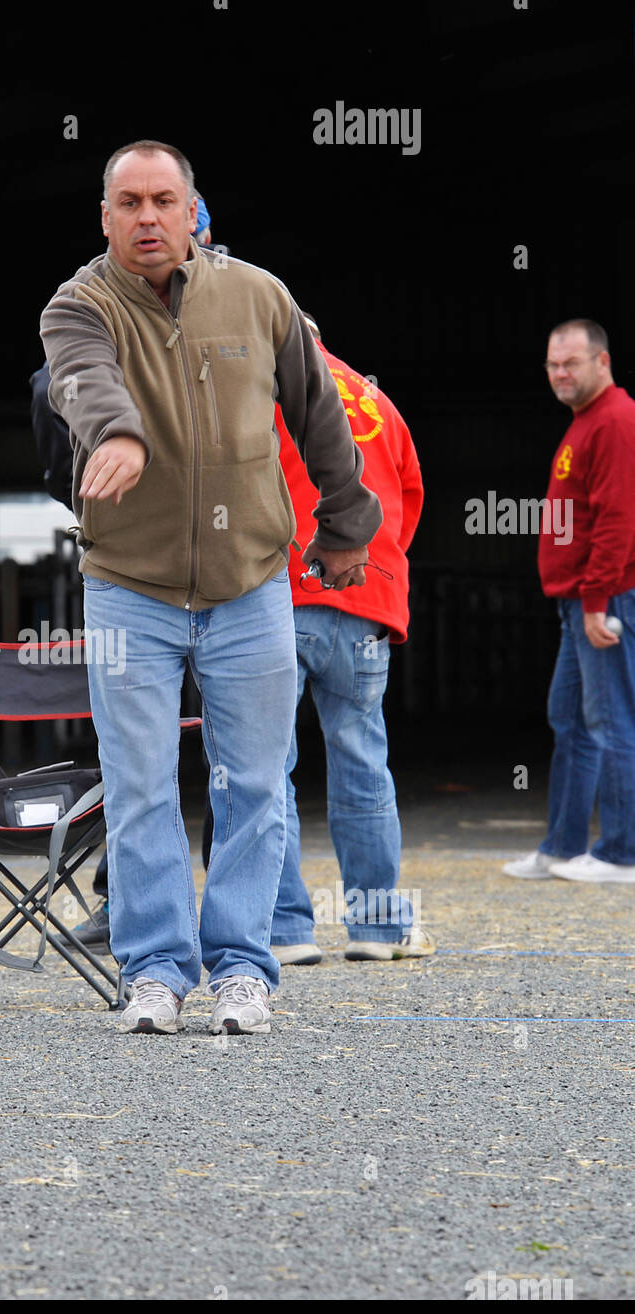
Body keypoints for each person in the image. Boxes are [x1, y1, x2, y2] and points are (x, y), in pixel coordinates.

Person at [40, 141, 382, 1035]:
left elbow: (319, 412)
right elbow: (83, 383)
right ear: (104, 216)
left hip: (252, 584)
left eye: (163, 200)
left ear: (192, 210)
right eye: (128, 203)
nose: (146, 217)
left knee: (255, 784)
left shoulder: (259, 296)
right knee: (140, 785)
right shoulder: (77, 305)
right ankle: (154, 970)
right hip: (127, 588)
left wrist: (348, 528)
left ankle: (242, 967)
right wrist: (116, 435)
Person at [29, 194, 215, 955]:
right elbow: (53, 399)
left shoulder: (241, 317)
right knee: (157, 754)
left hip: (222, 569)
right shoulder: (90, 323)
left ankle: (240, 919)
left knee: (205, 756)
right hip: (144, 572)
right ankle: (147, 913)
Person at [268, 316, 431, 964]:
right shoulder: (375, 400)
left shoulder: (269, 387)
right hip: (364, 601)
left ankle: (285, 932)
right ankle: (377, 928)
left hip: (281, 595)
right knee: (362, 762)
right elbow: (409, 499)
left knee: (265, 770)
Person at [503, 319, 635, 884]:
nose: (560, 373)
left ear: (602, 362)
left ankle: (623, 853)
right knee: (572, 722)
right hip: (580, 603)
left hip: (602, 602)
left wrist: (597, 601)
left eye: (571, 363)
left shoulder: (615, 422)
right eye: (553, 364)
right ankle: (563, 846)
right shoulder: (587, 422)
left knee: (611, 723)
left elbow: (617, 519)